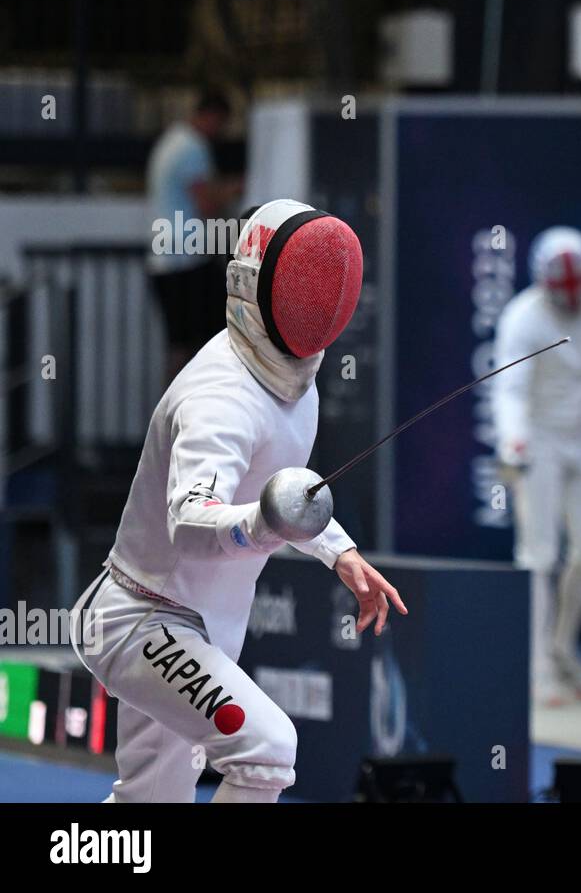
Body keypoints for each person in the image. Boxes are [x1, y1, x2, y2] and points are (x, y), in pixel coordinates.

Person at [70, 199, 406, 803]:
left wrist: (341, 554)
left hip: (199, 627)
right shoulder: (219, 399)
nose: (323, 302)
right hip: (145, 620)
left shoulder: (291, 380)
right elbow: (191, 526)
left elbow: (283, 485)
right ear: (259, 283)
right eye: (309, 282)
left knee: (147, 805)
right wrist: (266, 522)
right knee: (268, 752)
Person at [492, 227, 581, 707]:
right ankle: (538, 668)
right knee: (539, 556)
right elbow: (509, 388)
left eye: (580, 286)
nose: (573, 297)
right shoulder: (522, 317)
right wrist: (513, 440)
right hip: (537, 442)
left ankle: (563, 649)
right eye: (564, 288)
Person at [146, 87, 244, 377]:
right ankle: (192, 408)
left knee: (180, 343)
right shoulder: (192, 147)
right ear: (212, 116)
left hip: (166, 259)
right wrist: (239, 188)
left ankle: (174, 413)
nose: (220, 133)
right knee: (210, 339)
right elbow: (206, 202)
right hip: (184, 259)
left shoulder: (171, 142)